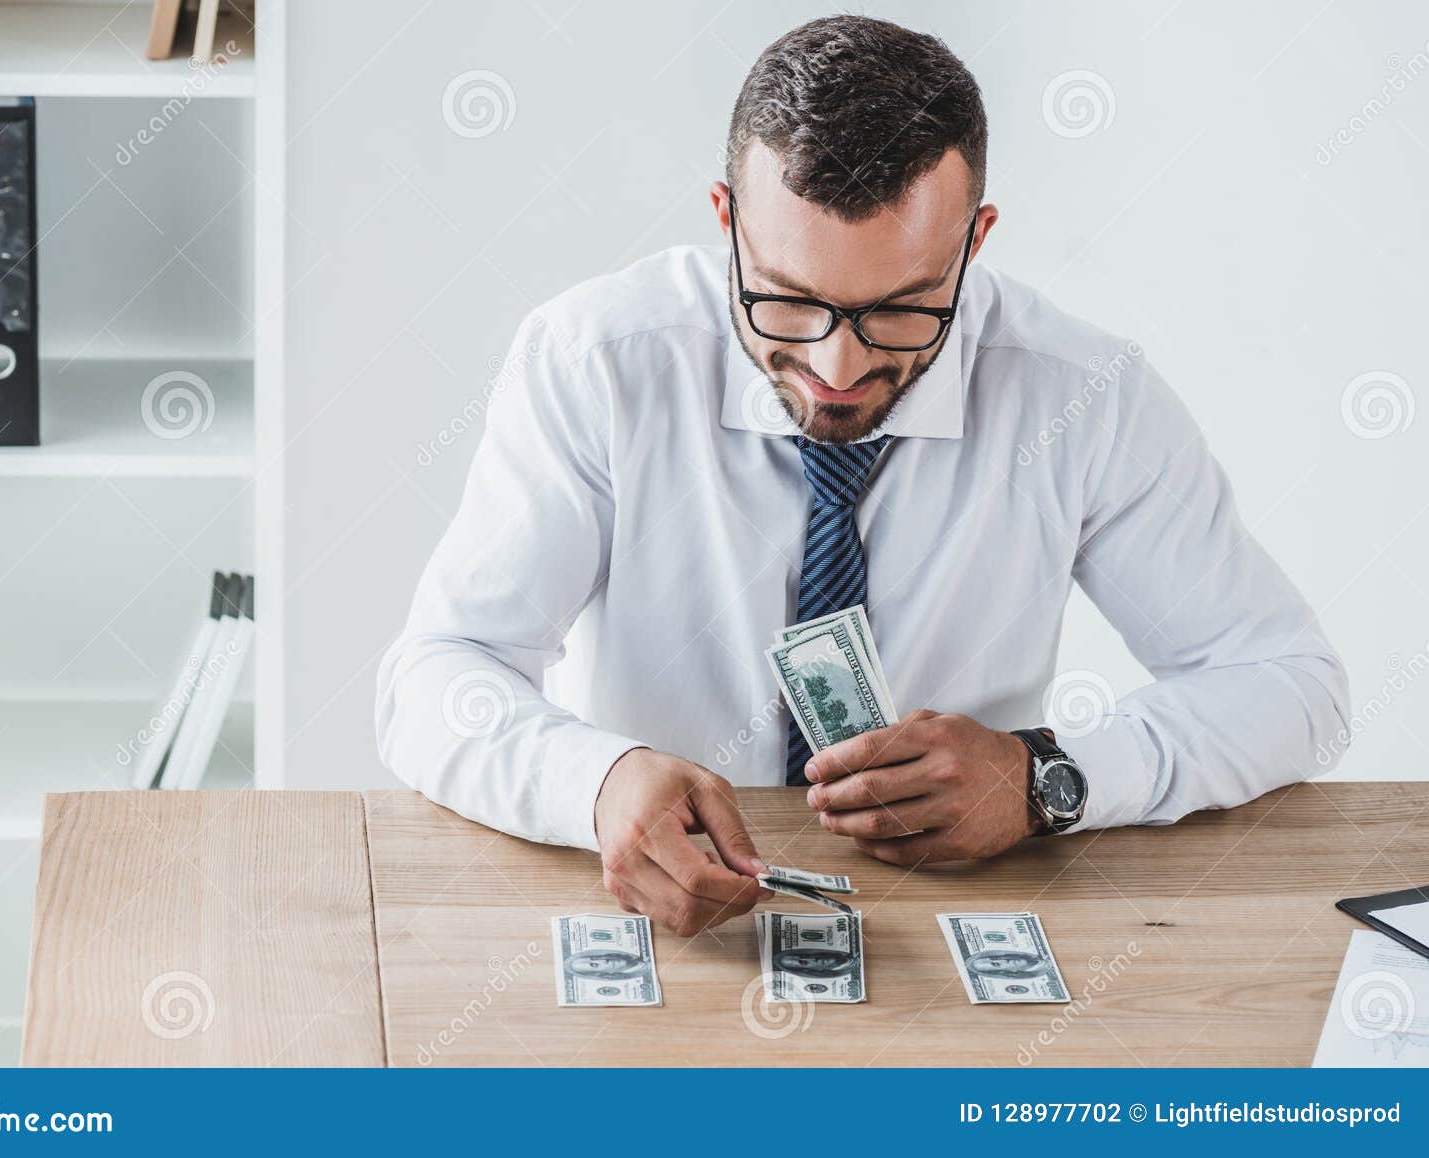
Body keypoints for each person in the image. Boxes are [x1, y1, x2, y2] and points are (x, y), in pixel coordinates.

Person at [376, 15, 1349, 938]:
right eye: (788, 303)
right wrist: (595, 783)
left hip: (952, 931)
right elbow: (434, 677)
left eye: (902, 309)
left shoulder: (1084, 397)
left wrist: (1042, 776)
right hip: (664, 926)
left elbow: (1293, 690)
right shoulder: (595, 360)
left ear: (973, 242)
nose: (837, 369)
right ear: (727, 223)